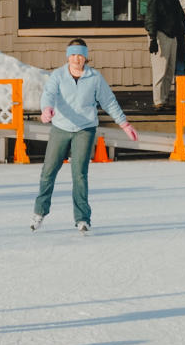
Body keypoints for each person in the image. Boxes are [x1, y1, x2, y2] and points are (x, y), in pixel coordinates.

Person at [32, 39, 138, 233]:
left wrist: (124, 124)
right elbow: (48, 94)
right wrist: (46, 108)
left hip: (85, 129)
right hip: (61, 128)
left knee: (79, 174)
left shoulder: (95, 77)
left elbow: (109, 102)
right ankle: (40, 212)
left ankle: (82, 218)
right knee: (48, 171)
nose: (76, 59)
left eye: (80, 55)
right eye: (73, 55)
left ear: (86, 57)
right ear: (68, 56)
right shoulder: (58, 75)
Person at [144, 0, 185, 110]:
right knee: (160, 70)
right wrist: (152, 38)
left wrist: (184, 26)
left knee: (169, 70)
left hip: (172, 35)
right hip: (160, 35)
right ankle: (158, 100)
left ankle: (165, 98)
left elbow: (179, 14)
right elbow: (151, 18)